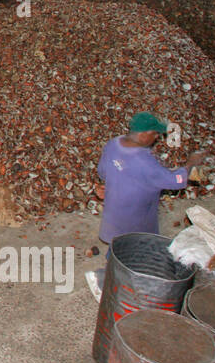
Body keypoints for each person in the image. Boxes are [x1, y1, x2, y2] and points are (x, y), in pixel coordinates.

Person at [87, 111, 208, 300]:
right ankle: (104, 281)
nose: (157, 138)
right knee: (135, 247)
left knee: (118, 242)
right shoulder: (143, 161)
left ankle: (109, 270)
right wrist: (191, 163)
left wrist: (111, 184)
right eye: (154, 134)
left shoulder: (113, 144)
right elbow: (175, 180)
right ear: (143, 134)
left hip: (114, 209)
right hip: (135, 214)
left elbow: (103, 172)